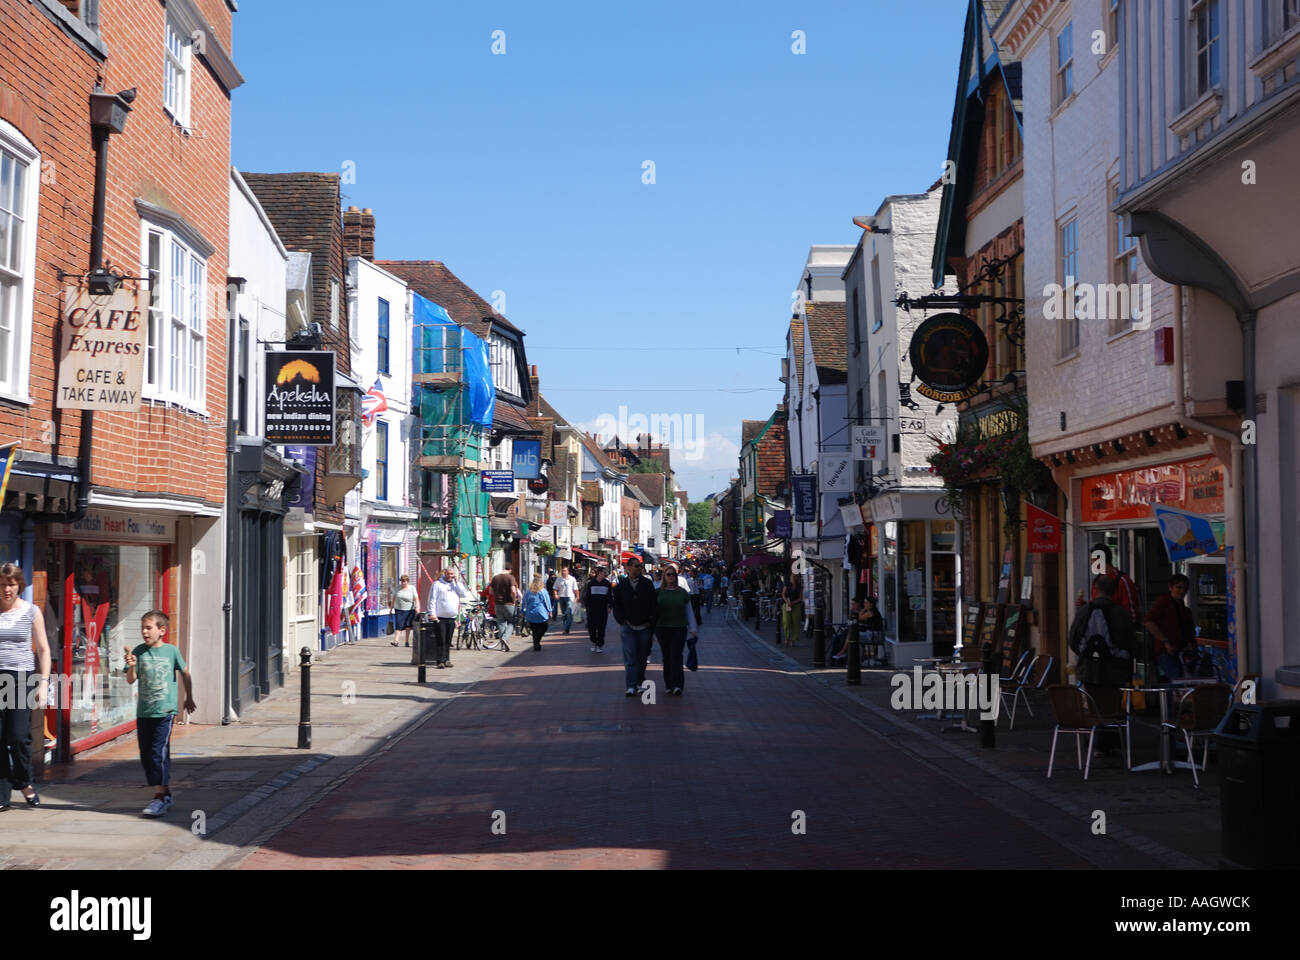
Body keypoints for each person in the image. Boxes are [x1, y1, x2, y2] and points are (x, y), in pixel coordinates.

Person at [124, 610, 195, 818]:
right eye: (142, 628)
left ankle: (159, 797)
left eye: (149, 628)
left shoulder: (171, 651)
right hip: (144, 711)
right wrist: (131, 666)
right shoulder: (138, 651)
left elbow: (185, 673)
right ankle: (165, 792)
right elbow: (130, 679)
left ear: (161, 630)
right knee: (147, 756)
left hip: (165, 710)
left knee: (159, 753)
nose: (144, 632)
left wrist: (188, 698)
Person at [1068, 575, 1137, 756]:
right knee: (1113, 706)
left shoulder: (1084, 611)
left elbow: (1073, 640)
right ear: (1114, 592)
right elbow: (1131, 642)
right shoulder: (1121, 613)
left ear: (1096, 589)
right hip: (1116, 670)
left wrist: (1085, 656)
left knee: (1094, 706)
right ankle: (1108, 741)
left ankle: (1099, 742)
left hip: (1089, 670)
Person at [0, 563, 50, 810]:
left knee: (18, 736)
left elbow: (43, 650)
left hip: (20, 678)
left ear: (19, 585)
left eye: (11, 584)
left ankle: (24, 781)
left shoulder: (31, 611)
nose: (7, 589)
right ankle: (2, 793)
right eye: (2, 584)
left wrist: (43, 683)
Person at [612, 557, 658, 696]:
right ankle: (631, 686)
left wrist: (650, 621)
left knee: (642, 657)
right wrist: (622, 620)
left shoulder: (647, 584)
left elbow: (653, 604)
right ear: (629, 568)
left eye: (641, 566)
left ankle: (639, 681)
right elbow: (617, 605)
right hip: (628, 626)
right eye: (637, 566)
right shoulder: (622, 585)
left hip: (644, 626)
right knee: (630, 657)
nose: (640, 568)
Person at [655, 565, 699, 696]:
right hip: (662, 628)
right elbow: (653, 612)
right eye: (668, 574)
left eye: (673, 574)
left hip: (679, 628)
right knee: (666, 657)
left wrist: (693, 628)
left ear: (676, 576)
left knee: (676, 655)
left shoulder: (682, 593)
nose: (670, 577)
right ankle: (668, 684)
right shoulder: (658, 592)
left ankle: (678, 685)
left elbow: (689, 611)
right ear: (664, 576)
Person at [1144, 574, 1195, 682]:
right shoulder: (1164, 602)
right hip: (1166, 652)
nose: (1182, 591)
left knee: (1182, 679)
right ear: (1170, 587)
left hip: (1182, 653)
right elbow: (1148, 622)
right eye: (1178, 587)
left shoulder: (1184, 610)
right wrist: (1166, 642)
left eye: (1184, 588)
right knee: (1176, 678)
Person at [1075, 544, 1139, 624]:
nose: (1091, 563)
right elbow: (1098, 608)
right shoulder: (1097, 581)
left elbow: (1131, 614)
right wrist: (1086, 606)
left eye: (1093, 560)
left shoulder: (1122, 580)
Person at [427, 567, 468, 669]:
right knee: (441, 639)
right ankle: (440, 661)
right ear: (444, 574)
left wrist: (457, 582)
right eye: (448, 574)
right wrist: (432, 613)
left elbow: (463, 594)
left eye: (452, 574)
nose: (450, 576)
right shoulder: (437, 584)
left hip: (451, 616)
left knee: (448, 640)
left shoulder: (455, 584)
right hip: (440, 617)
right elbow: (432, 599)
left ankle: (447, 659)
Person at [582, 566, 614, 653]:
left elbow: (609, 597)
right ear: (599, 573)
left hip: (603, 609)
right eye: (604, 572)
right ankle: (593, 641)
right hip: (592, 609)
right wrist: (586, 606)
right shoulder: (591, 583)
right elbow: (587, 596)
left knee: (601, 628)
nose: (605, 574)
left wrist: (610, 606)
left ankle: (599, 645)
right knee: (591, 627)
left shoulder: (607, 583)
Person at [523, 575, 552, 651]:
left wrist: (523, 612)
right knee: (544, 627)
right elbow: (547, 602)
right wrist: (550, 611)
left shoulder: (528, 592)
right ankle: (537, 641)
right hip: (540, 613)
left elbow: (524, 603)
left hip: (530, 613)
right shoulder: (543, 591)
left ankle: (536, 644)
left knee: (534, 629)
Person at [490, 567, 521, 638]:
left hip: (497, 604)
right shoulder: (510, 578)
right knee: (512, 622)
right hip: (508, 604)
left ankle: (503, 645)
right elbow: (513, 591)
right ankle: (505, 638)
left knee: (501, 623)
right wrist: (513, 600)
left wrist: (497, 595)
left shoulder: (495, 578)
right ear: (510, 570)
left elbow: (490, 591)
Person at [391, 574, 418, 649]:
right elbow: (394, 598)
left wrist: (417, 607)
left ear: (407, 581)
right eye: (402, 581)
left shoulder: (412, 588)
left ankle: (406, 641)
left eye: (405, 581)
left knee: (408, 626)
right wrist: (391, 608)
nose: (403, 583)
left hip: (409, 610)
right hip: (399, 609)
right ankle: (396, 641)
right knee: (398, 624)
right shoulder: (397, 588)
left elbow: (416, 598)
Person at [554, 563, 578, 634]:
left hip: (570, 597)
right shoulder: (559, 579)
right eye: (562, 571)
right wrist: (555, 594)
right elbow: (555, 588)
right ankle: (566, 627)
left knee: (569, 613)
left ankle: (566, 628)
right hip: (561, 597)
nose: (563, 572)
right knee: (564, 614)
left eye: (564, 570)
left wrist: (577, 597)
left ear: (568, 571)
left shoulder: (572, 579)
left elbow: (576, 589)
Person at [781, 572, 804, 649]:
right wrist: (787, 602)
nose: (793, 579)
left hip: (796, 605)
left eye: (795, 578)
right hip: (787, 605)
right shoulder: (787, 585)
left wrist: (793, 602)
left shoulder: (799, 587)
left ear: (797, 579)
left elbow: (800, 598)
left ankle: (793, 640)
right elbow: (783, 594)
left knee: (795, 622)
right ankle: (787, 637)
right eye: (792, 578)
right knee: (786, 621)